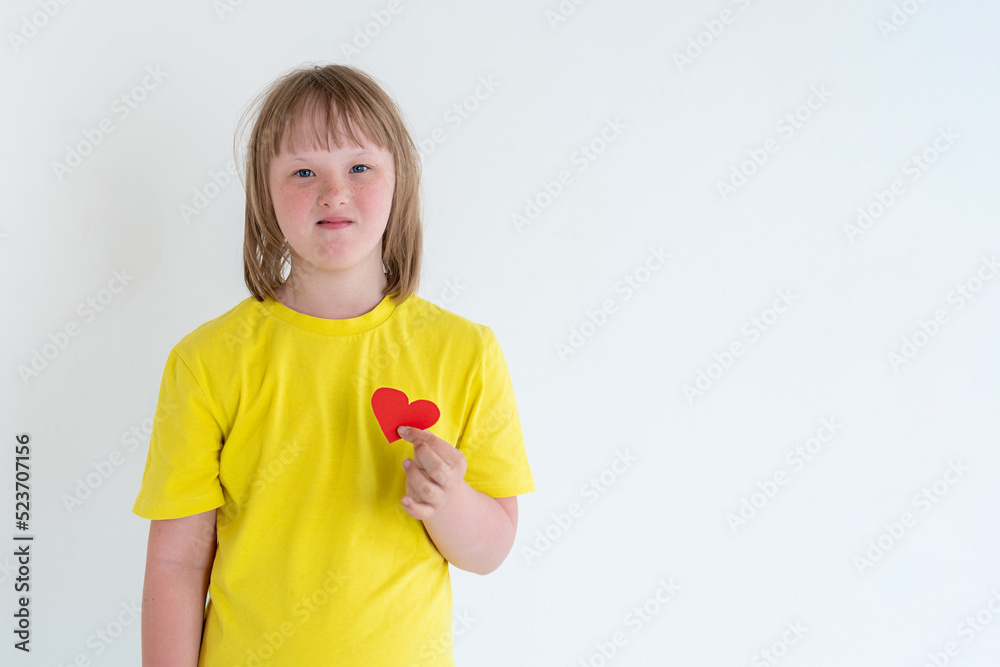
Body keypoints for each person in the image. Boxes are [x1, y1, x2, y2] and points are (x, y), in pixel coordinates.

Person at [132, 62, 535, 666]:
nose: (334, 191)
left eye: (359, 167)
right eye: (302, 171)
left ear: (400, 181)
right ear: (263, 196)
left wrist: (448, 502)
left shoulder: (466, 351)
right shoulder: (208, 361)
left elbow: (491, 549)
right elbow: (178, 560)